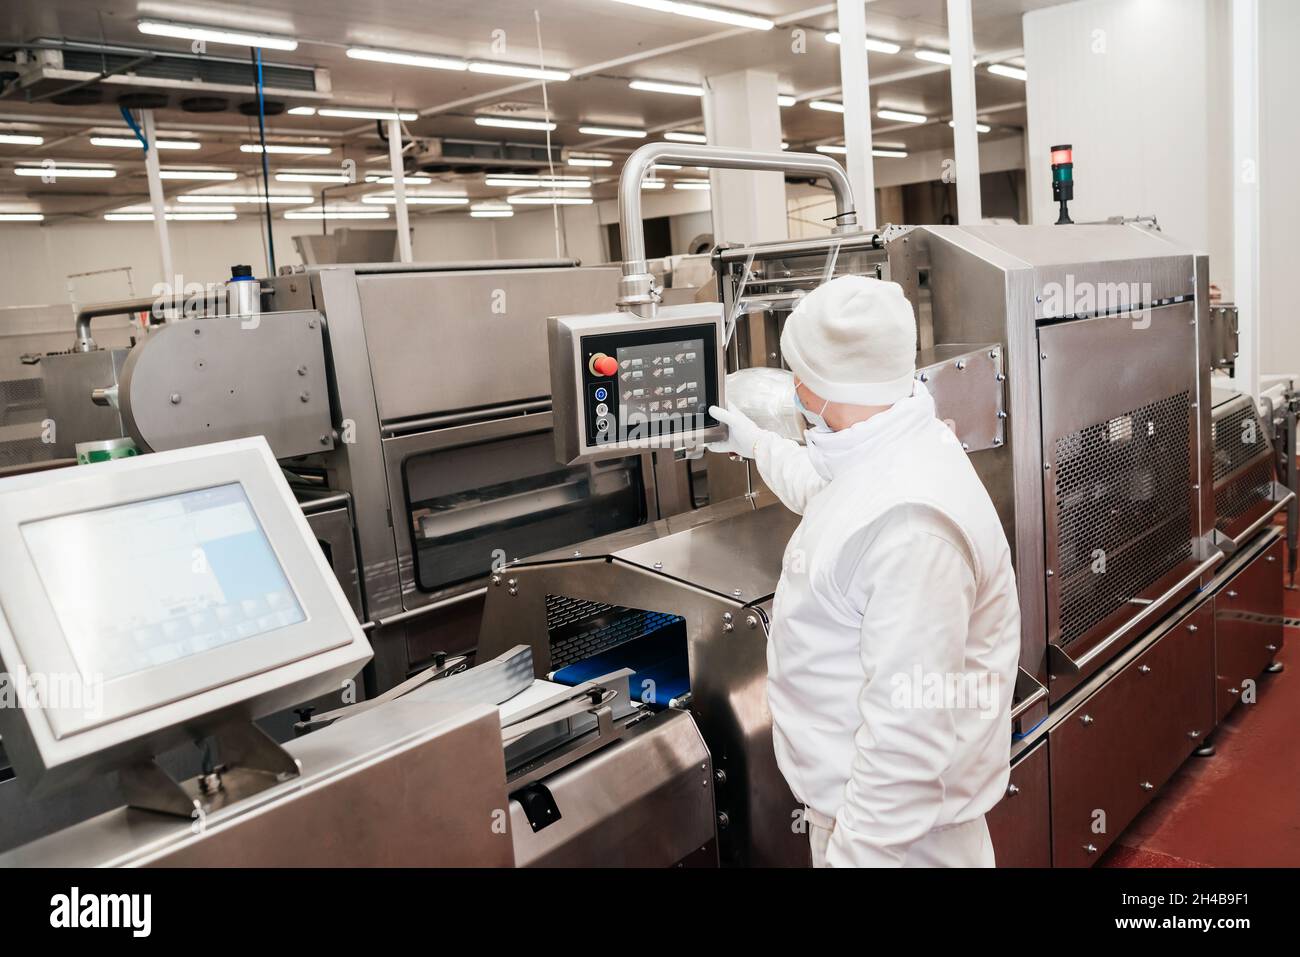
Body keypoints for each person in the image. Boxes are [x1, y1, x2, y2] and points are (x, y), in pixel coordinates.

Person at [707, 274, 1021, 868]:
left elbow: (906, 747)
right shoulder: (898, 443)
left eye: (797, 373)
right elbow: (828, 490)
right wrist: (754, 443)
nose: (792, 388)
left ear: (821, 385)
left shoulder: (913, 528)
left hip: (899, 844)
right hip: (869, 823)